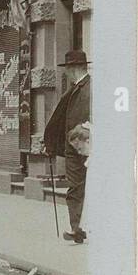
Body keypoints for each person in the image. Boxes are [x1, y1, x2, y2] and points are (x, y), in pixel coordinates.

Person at [43, 49, 91, 244]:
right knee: (75, 186)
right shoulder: (73, 89)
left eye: (69, 68)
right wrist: (51, 143)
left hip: (88, 146)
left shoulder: (91, 87)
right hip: (72, 147)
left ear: (76, 68)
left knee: (89, 187)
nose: (67, 72)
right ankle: (75, 228)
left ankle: (85, 226)